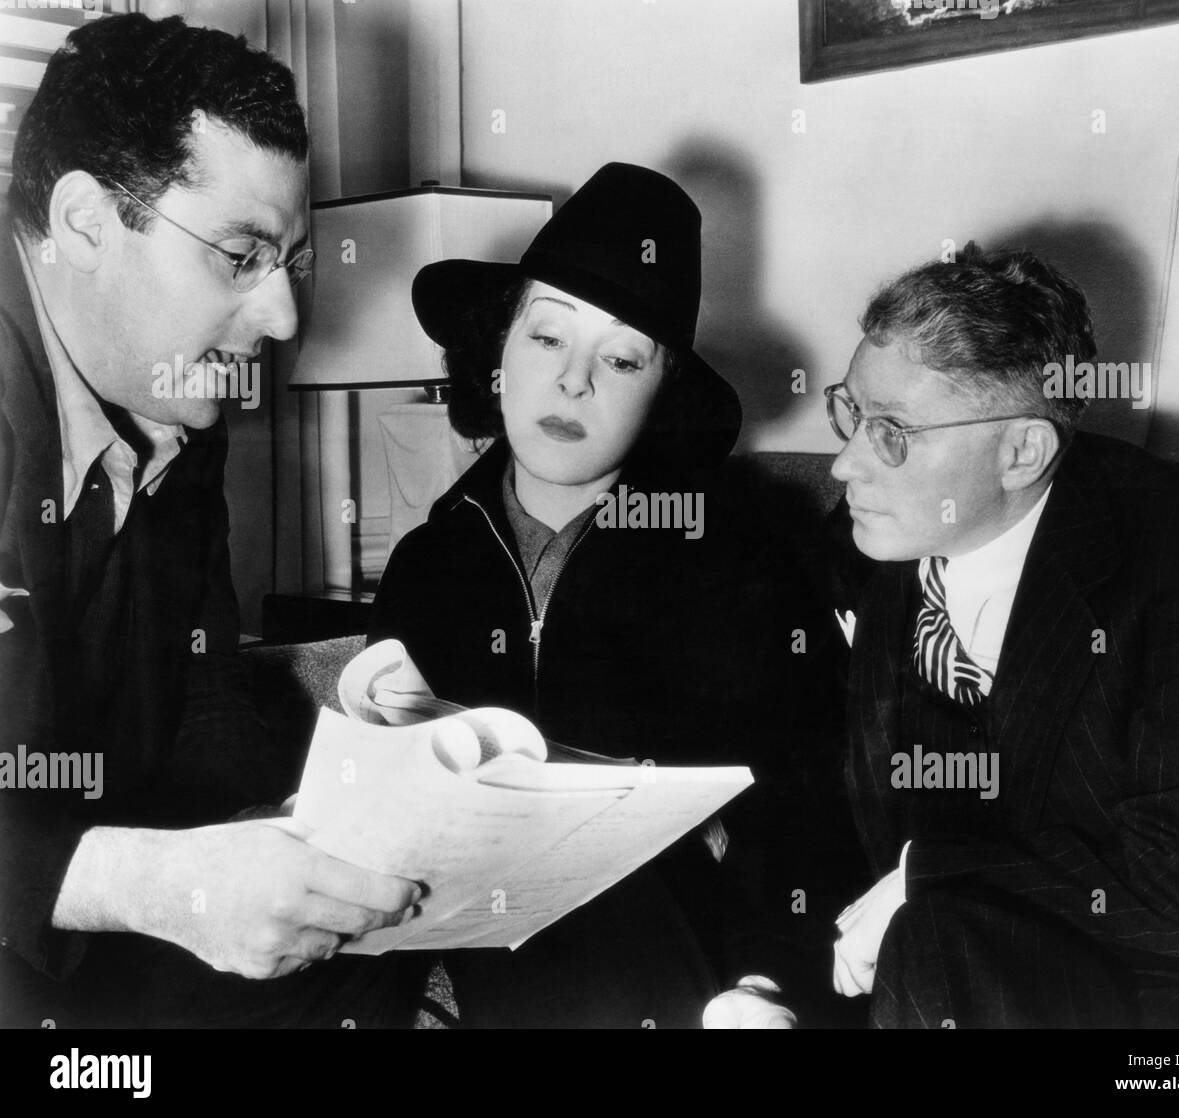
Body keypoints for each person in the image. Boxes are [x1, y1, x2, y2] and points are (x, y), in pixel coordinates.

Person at [708, 242, 1179, 1028]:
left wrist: (933, 875)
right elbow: (809, 804)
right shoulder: (863, 549)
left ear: (1022, 451)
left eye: (894, 431)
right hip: (932, 983)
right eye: (851, 410)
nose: (846, 464)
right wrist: (766, 981)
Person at [0, 12, 423, 1028]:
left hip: (68, 907)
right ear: (87, 221)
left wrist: (298, 828)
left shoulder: (173, 391)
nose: (280, 318)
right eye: (241, 255)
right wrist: (157, 882)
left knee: (365, 956)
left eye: (291, 263)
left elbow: (200, 689)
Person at [369, 162, 838, 1028]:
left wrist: (769, 979)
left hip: (668, 953)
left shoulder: (741, 563)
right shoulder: (424, 565)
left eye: (620, 358)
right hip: (462, 928)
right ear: (497, 354)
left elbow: (808, 811)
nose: (573, 381)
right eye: (547, 339)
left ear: (661, 397)